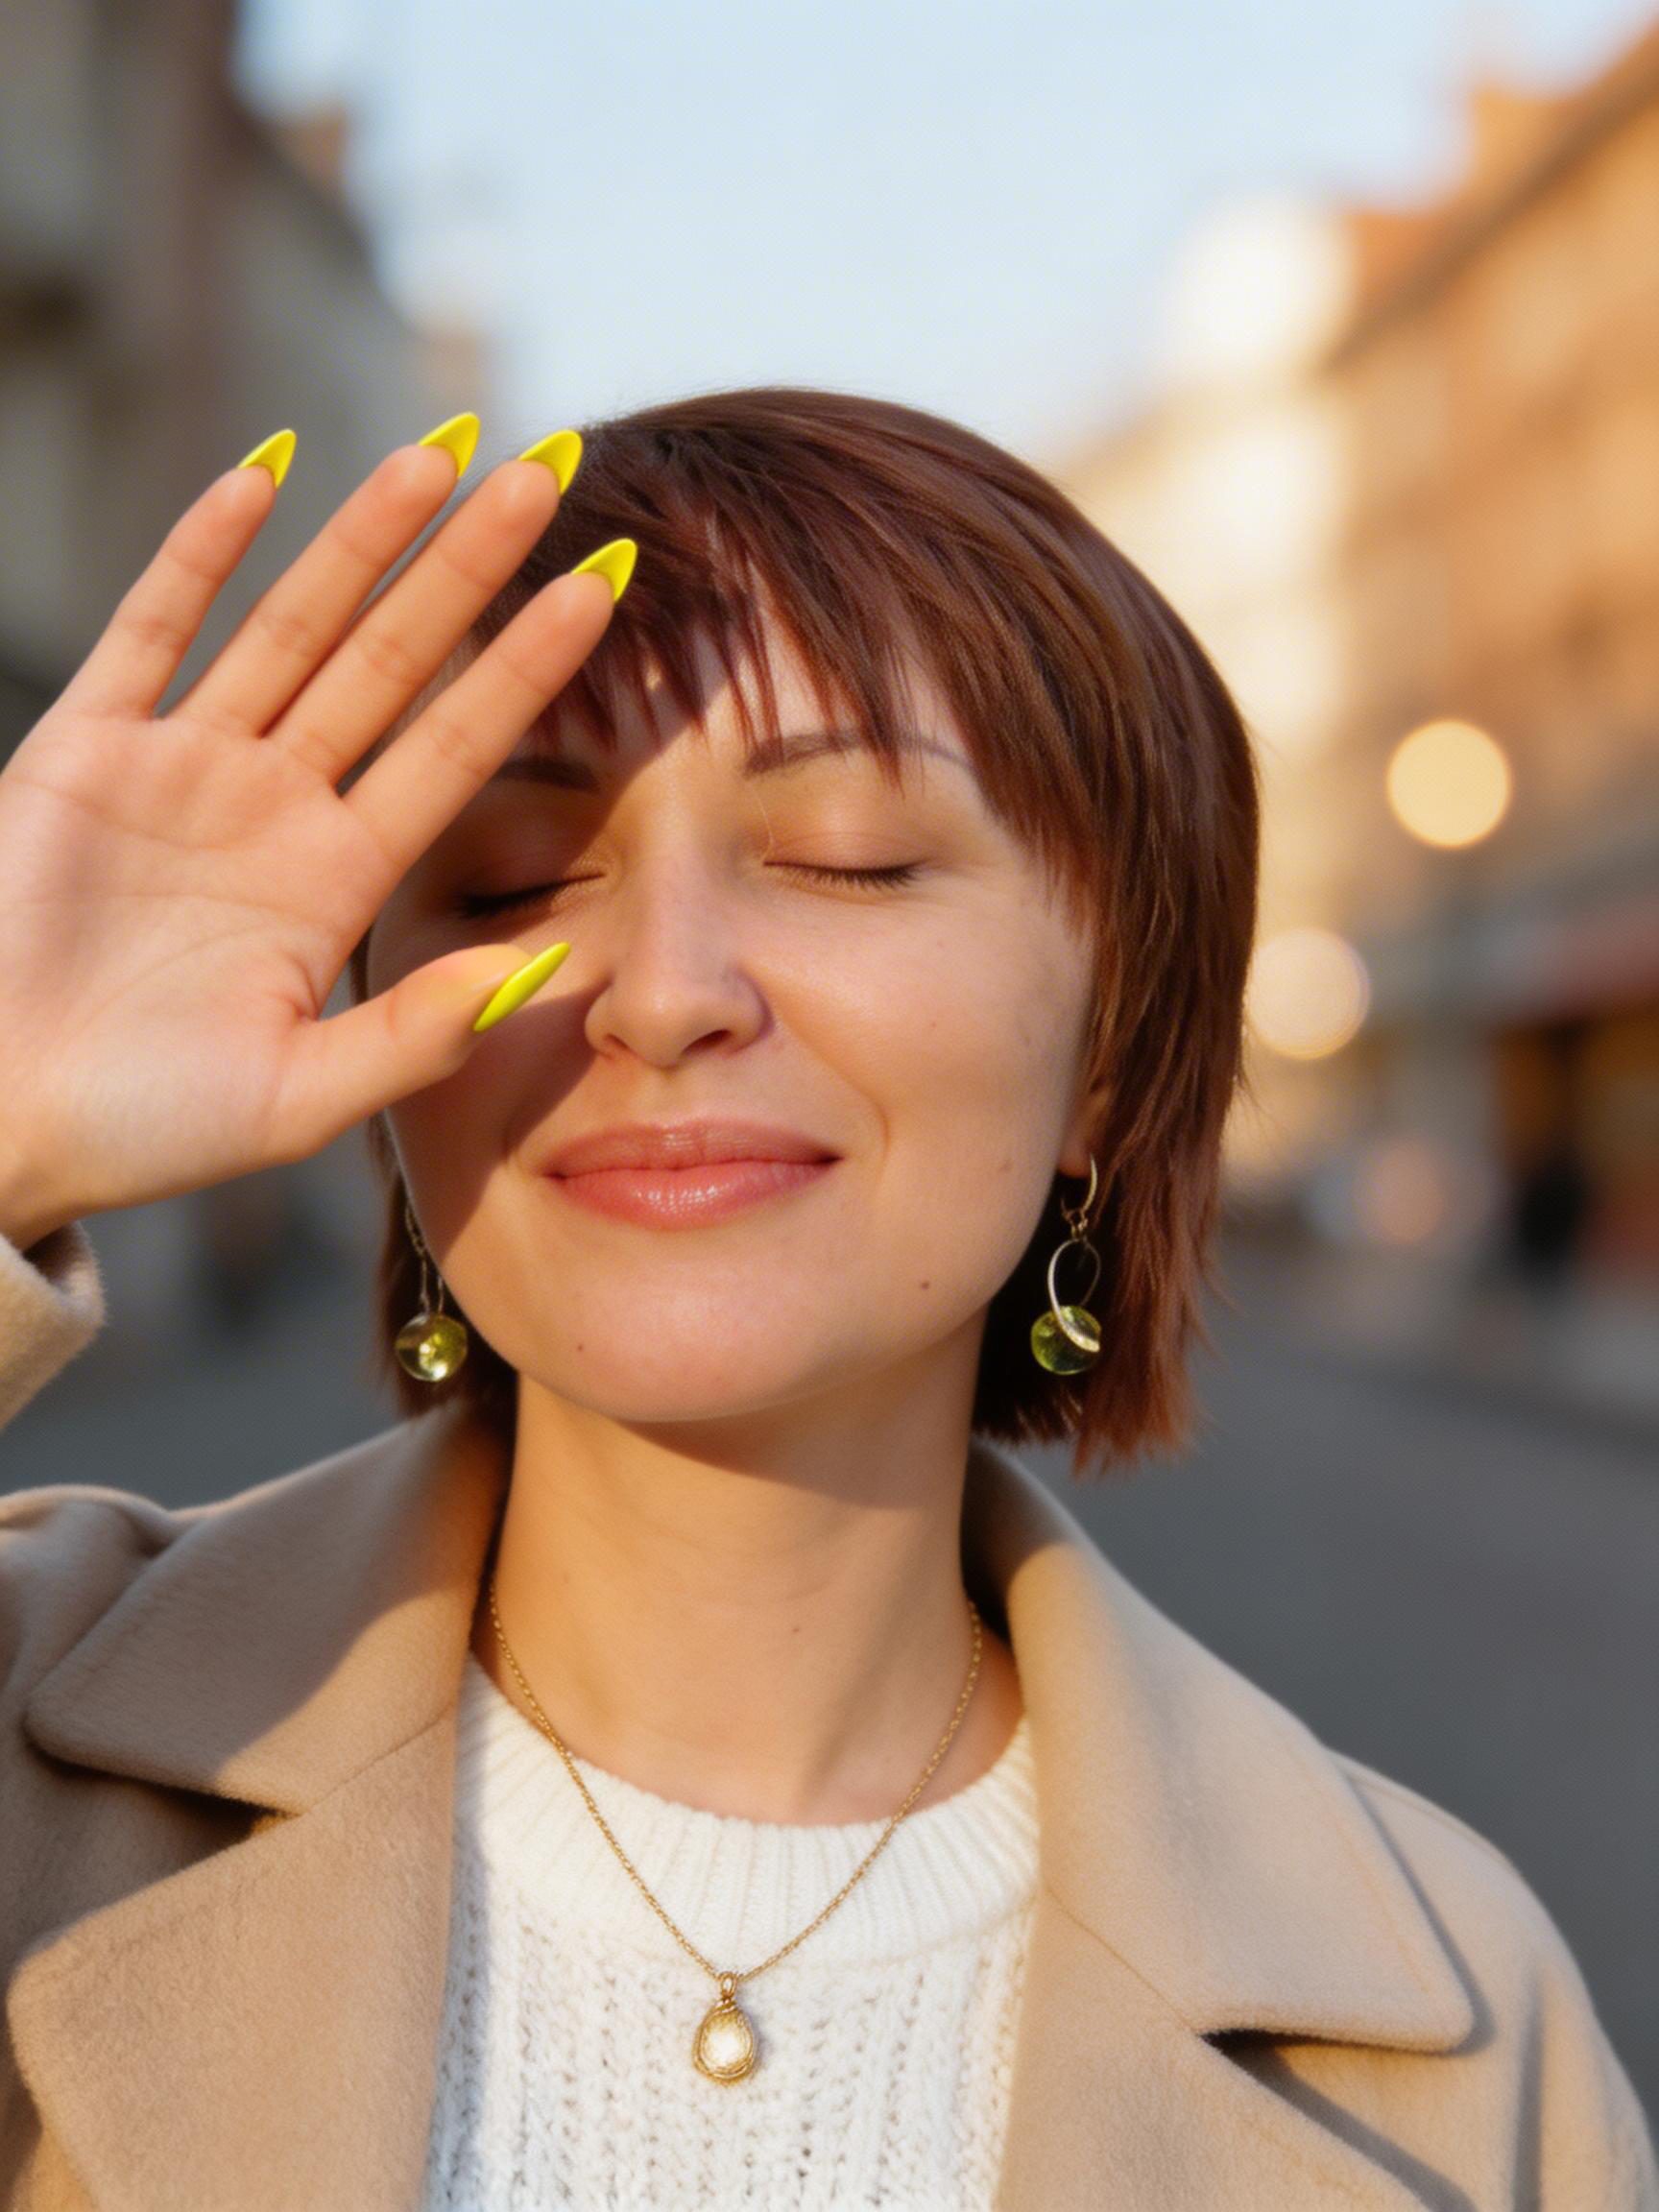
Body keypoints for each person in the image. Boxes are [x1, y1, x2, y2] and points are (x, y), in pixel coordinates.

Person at [0, 391, 1651, 2212]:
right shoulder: (29, 1741)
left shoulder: (1458, 2038)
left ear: (1111, 1046)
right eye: (506, 880)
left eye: (848, 858)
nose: (661, 990)